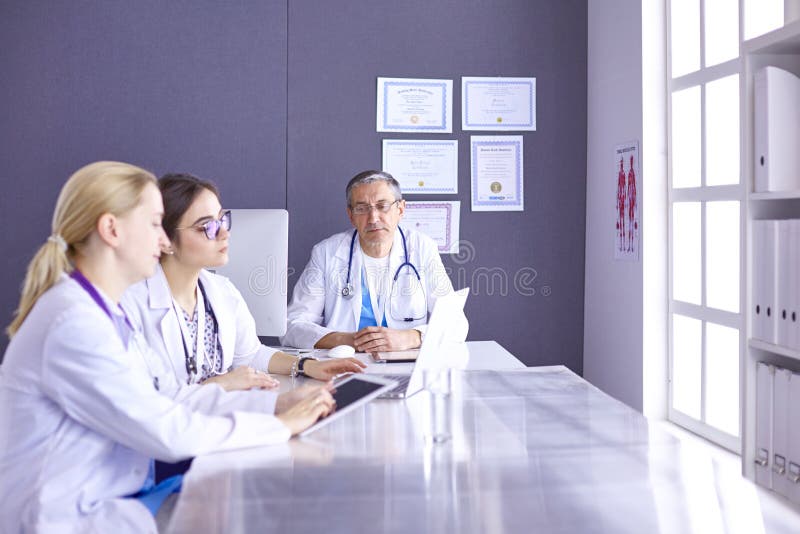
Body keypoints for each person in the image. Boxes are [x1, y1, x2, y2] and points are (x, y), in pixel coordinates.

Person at [0, 162, 334, 532]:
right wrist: (279, 427)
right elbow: (166, 429)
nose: (163, 241)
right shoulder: (73, 324)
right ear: (111, 229)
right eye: (155, 223)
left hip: (113, 496)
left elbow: (170, 395)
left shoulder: (102, 311)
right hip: (65, 516)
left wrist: (273, 404)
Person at [123, 173, 365, 392]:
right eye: (207, 227)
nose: (224, 233)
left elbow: (250, 354)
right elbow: (140, 399)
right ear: (164, 239)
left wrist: (308, 366)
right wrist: (220, 385)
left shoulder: (220, 292)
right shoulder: (130, 303)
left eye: (222, 220)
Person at [281, 170, 468, 351]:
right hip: (344, 364)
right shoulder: (327, 253)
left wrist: (410, 337)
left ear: (400, 209)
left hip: (407, 362)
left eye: (382, 206)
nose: (373, 218)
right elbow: (292, 326)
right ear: (351, 215)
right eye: (362, 208)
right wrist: (345, 339)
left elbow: (456, 323)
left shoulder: (422, 248)